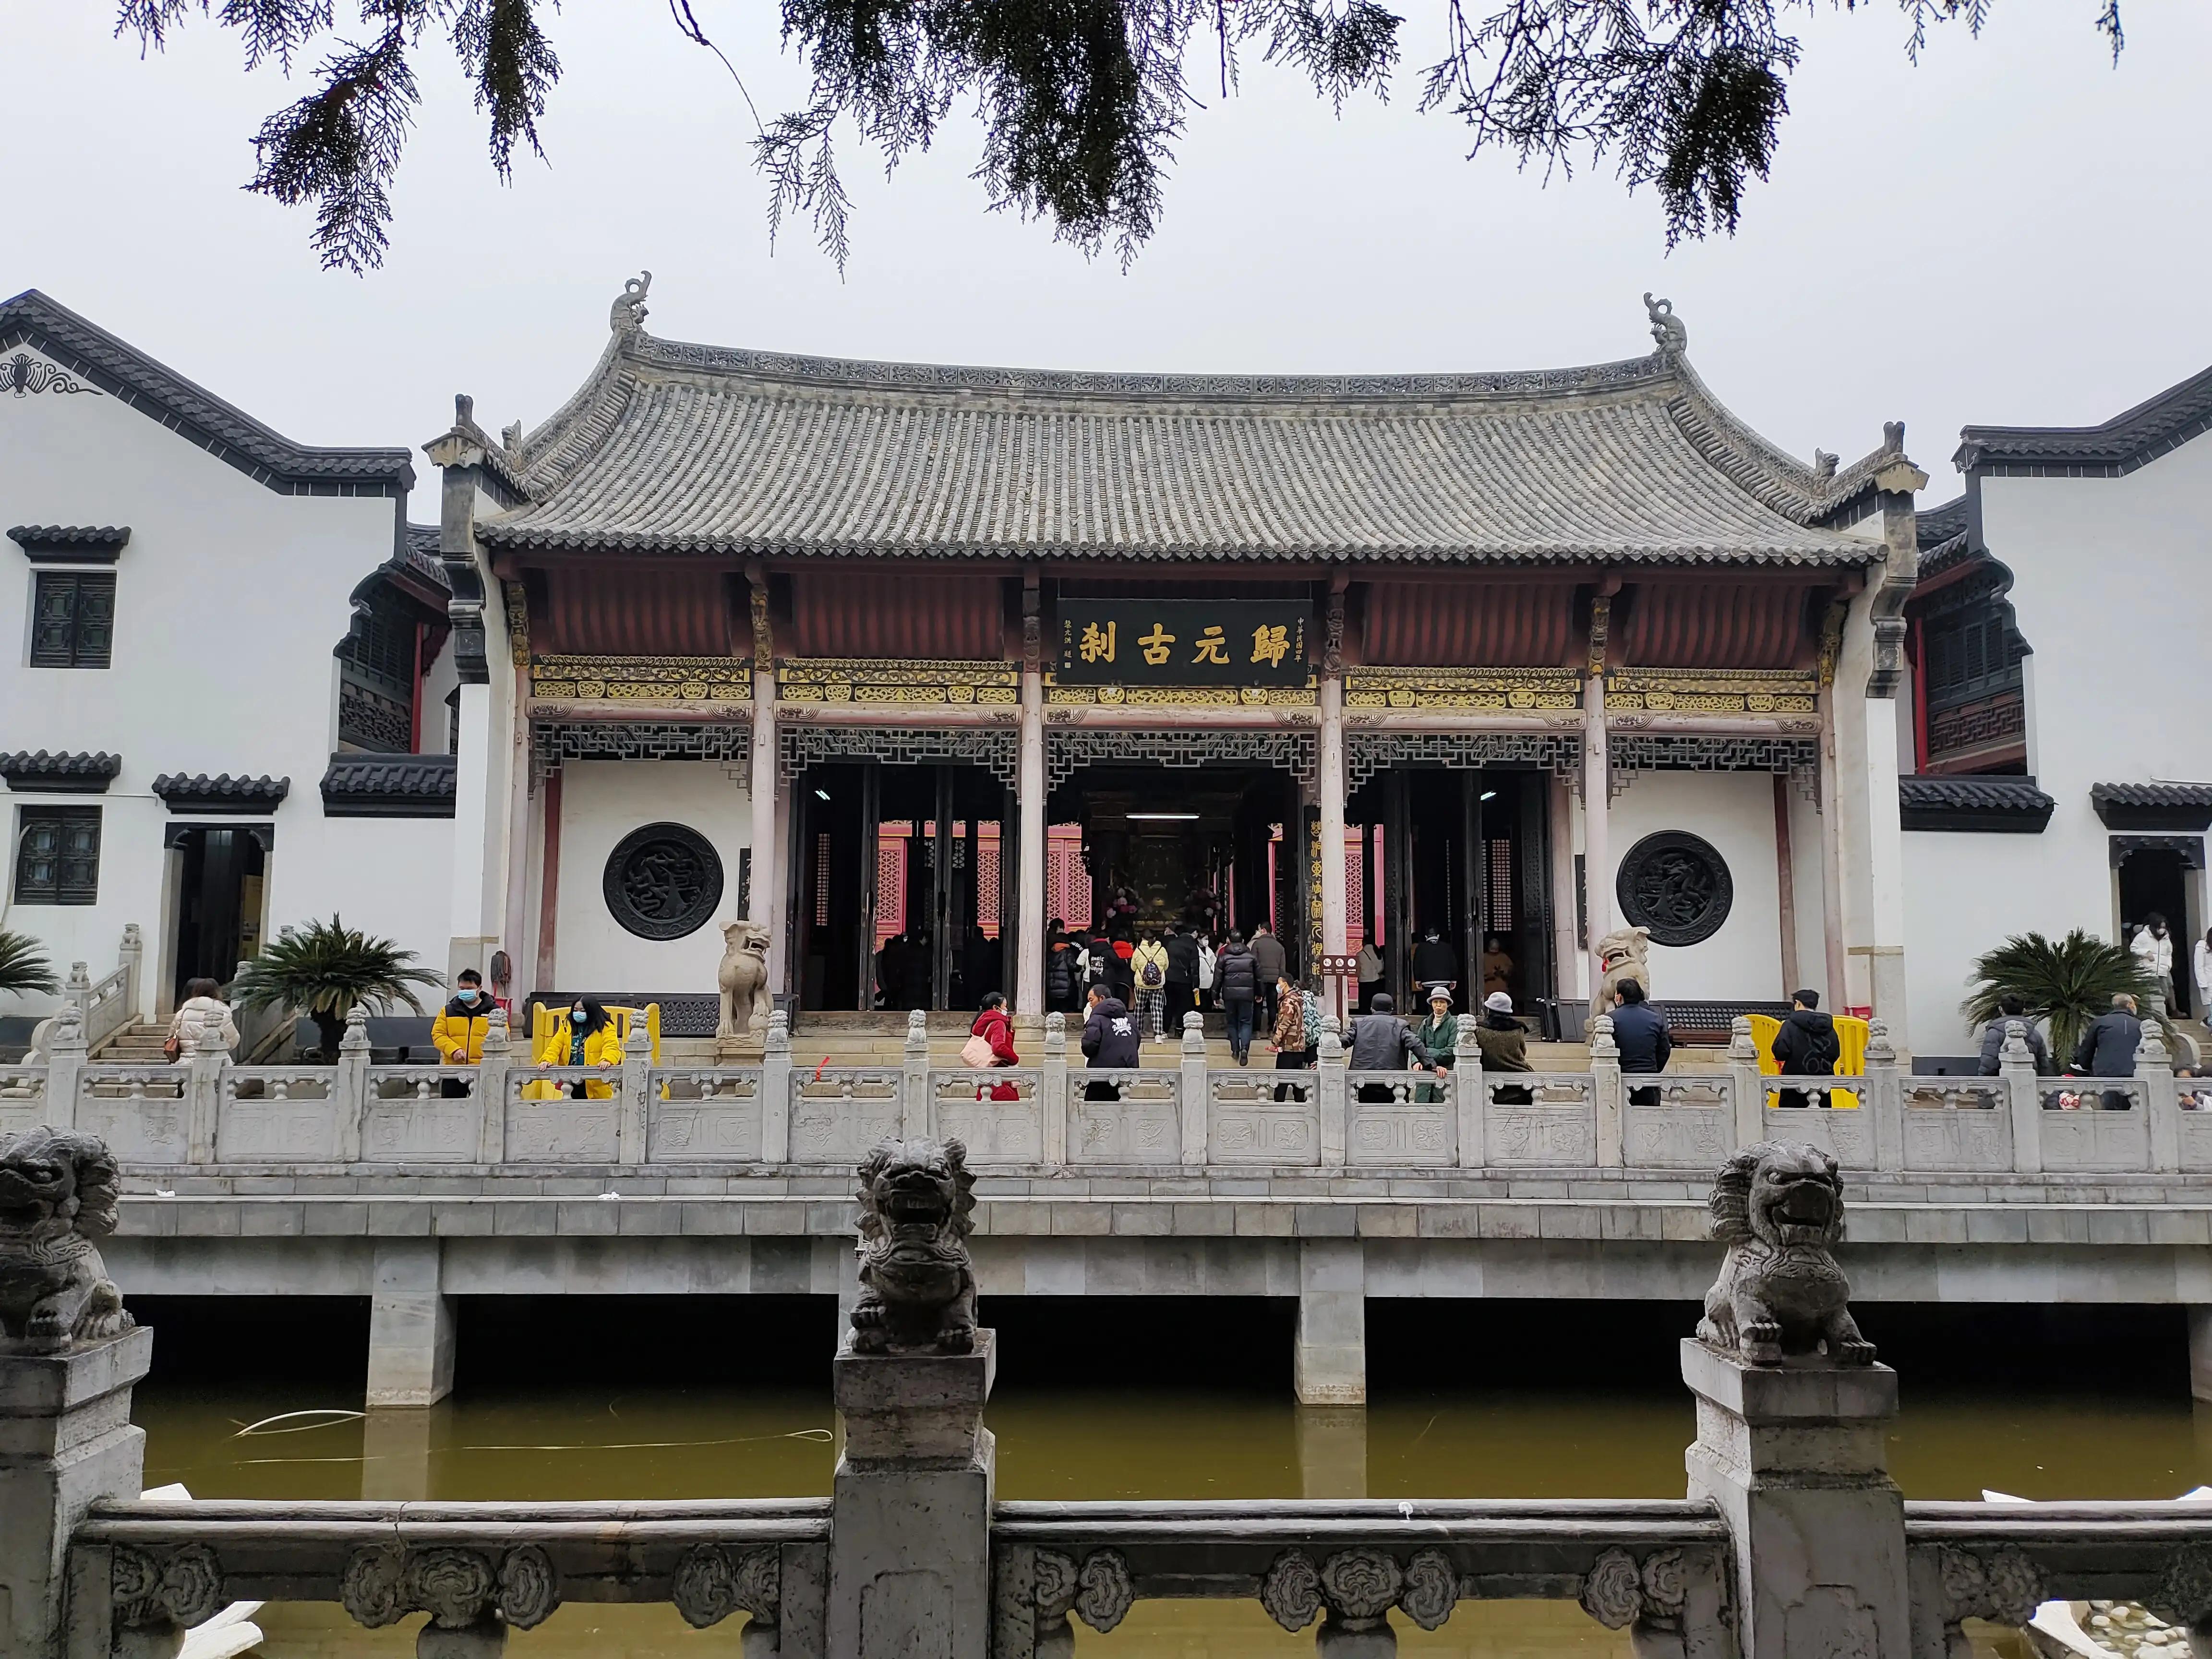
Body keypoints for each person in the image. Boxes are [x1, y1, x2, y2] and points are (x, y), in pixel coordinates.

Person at [1347, 991, 1444, 1101]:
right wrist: (1432, 1065)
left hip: (1365, 1082)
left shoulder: (1359, 1024)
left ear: (1372, 1009)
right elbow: (1416, 1044)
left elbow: (1343, 1041)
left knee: (1367, 1115)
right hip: (1394, 1082)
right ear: (1391, 1010)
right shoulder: (1400, 1025)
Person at [534, 997, 619, 1098]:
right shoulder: (567, 1025)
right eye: (575, 1010)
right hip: (571, 1077)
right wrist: (547, 1060)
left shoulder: (605, 1027)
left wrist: (607, 1060)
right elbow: (555, 1045)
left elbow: (611, 1046)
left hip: (594, 1079)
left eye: (583, 1011)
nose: (578, 1013)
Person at [1768, 988, 1838, 1109]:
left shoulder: (1790, 1025)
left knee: (1792, 1117)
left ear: (1798, 1003)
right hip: (1822, 1080)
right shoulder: (1827, 1026)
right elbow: (1835, 1053)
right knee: (1822, 1116)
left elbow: (1781, 1052)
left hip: (1794, 1081)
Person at [431, 968, 497, 1096]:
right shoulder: (448, 1011)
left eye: (470, 988)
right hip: (454, 1071)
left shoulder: (494, 1012)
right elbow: (438, 1034)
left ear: (480, 988)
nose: (465, 992)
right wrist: (453, 1050)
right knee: (452, 1109)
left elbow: (503, 1035)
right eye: (462, 989)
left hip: (483, 1071)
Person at [1608, 979, 1672, 1106]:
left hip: (1619, 1080)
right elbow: (1665, 1050)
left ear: (1619, 996)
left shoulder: (1609, 1019)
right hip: (1649, 1080)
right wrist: (1653, 1070)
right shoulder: (1655, 1019)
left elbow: (1599, 1050)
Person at [2074, 992, 2144, 1107]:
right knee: (2134, 1110)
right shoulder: (2140, 1025)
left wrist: (2083, 1068)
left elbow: (2087, 1049)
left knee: (2111, 1111)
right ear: (2130, 1005)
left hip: (2107, 1075)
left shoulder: (2100, 1023)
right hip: (2134, 1074)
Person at [1080, 983, 1140, 1100]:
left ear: (1101, 998)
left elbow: (1089, 1046)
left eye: (1091, 1000)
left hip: (1101, 1074)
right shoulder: (1130, 1019)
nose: (1090, 1005)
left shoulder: (1097, 1018)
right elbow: (1136, 1041)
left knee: (1093, 1111)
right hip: (1126, 1073)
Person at [1475, 989, 1534, 1104]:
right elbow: (1523, 1051)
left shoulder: (1479, 1031)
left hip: (1490, 1083)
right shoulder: (1518, 1030)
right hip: (1520, 1084)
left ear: (1489, 1010)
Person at [1976, 993, 2053, 1076]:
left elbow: (1988, 1064)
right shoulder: (2035, 1034)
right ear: (2023, 1010)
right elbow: (2043, 1065)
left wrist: (1982, 1083)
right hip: (2030, 1083)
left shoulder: (1994, 1034)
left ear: (2001, 1009)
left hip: (2000, 1084)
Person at [167, 977, 239, 1062]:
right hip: (215, 1063)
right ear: (217, 991)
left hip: (186, 1062)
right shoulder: (221, 1014)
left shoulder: (182, 1014)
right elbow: (233, 1040)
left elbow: (171, 1036)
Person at [1217, 929, 1259, 1065]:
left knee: (1232, 1022)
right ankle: (1245, 1049)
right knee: (1246, 1022)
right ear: (1242, 941)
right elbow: (1259, 977)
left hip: (1229, 995)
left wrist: (1215, 995)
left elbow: (1217, 978)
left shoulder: (1224, 957)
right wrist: (1260, 993)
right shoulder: (1251, 957)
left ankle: (1235, 1049)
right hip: (1247, 995)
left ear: (1228, 941)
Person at [969, 992, 1021, 1101]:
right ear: (995, 1008)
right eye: (1005, 1006)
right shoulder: (999, 1023)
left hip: (986, 1076)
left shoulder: (981, 1023)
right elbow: (999, 1048)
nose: (1007, 1009)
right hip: (1000, 1079)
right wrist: (1014, 1059)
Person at [1412, 985, 1459, 1103]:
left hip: (1444, 1071)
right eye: (1435, 1002)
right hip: (1425, 1071)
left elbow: (1451, 1050)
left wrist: (1426, 1054)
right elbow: (1416, 1045)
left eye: (1442, 1002)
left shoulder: (1453, 1024)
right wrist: (1416, 1061)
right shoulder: (1426, 1023)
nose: (1438, 1005)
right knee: (1422, 1109)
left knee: (1442, 1107)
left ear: (1447, 1004)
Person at [1132, 931, 1172, 1042]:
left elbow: (1133, 967)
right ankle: (1158, 1035)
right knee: (1157, 1010)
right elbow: (1167, 966)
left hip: (1141, 985)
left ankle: (1137, 1033)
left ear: (1142, 939)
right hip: (1157, 985)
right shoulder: (1162, 950)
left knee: (1139, 1009)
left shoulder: (1138, 950)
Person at [1164, 922, 1201, 1040]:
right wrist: (1196, 985)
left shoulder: (1171, 944)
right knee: (1183, 1006)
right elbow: (1195, 967)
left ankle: (1164, 1030)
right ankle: (1180, 1029)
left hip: (1169, 978)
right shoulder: (1192, 946)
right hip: (1185, 980)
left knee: (1168, 1005)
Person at [2133, 913, 2175, 1017]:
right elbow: (2133, 949)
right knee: (2149, 996)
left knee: (2165, 994)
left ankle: (2161, 1016)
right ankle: (2151, 1017)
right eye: (2160, 927)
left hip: (2162, 972)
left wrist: (2168, 966)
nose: (2162, 930)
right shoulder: (2143, 936)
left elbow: (2169, 954)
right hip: (2148, 973)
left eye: (2164, 928)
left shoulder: (2166, 940)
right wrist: (2146, 953)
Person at [1250, 926, 1287, 1032]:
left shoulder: (1257, 944)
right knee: (1273, 1005)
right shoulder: (1280, 947)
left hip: (1260, 979)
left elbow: (1253, 963)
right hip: (1274, 980)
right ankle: (1271, 1030)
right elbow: (1282, 967)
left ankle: (1256, 1031)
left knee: (1258, 1005)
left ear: (1263, 930)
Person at [1411, 928, 1458, 1000]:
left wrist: (1418, 981)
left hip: (1427, 982)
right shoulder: (1447, 947)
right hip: (1445, 981)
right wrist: (1454, 980)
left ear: (1426, 937)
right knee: (1443, 1002)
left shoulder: (1421, 948)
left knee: (1430, 1002)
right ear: (1438, 936)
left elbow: (1417, 965)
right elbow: (1453, 965)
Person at [1045, 921, 1079, 1013]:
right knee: (1065, 1011)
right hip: (1066, 986)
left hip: (1052, 985)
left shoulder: (1050, 950)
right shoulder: (1067, 952)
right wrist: (1079, 967)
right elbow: (1073, 966)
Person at [1481, 936, 1515, 1002]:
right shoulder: (1484, 957)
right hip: (1488, 991)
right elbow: (1479, 973)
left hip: (1502, 990)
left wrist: (1503, 972)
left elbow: (1511, 970)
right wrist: (1492, 973)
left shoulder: (1504, 957)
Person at [1355, 941, 1383, 1013]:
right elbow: (1381, 968)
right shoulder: (1378, 954)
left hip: (1364, 981)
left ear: (1363, 943)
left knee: (1364, 1003)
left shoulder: (1360, 954)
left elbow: (1357, 970)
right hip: (1375, 980)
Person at [1196, 933, 1218, 1012]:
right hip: (1200, 979)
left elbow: (1215, 961)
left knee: (1207, 1000)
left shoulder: (1209, 950)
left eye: (1207, 939)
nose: (1207, 941)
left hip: (1209, 979)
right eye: (1205, 939)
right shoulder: (1196, 951)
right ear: (1199, 940)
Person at [2198, 928, 2212, 1024]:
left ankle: (2208, 1021)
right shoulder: (2201, 947)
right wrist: (2203, 984)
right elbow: (2199, 967)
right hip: (2208, 983)